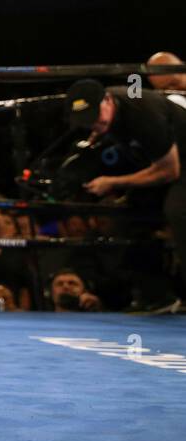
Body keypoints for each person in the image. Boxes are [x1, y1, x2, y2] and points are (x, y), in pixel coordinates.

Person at [66, 78, 186, 310]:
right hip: (165, 159)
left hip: (178, 162)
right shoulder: (104, 112)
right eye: (89, 122)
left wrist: (112, 181)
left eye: (97, 120)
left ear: (108, 101)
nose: (95, 126)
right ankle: (158, 296)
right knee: (126, 215)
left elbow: (170, 171)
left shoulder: (143, 115)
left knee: (179, 211)